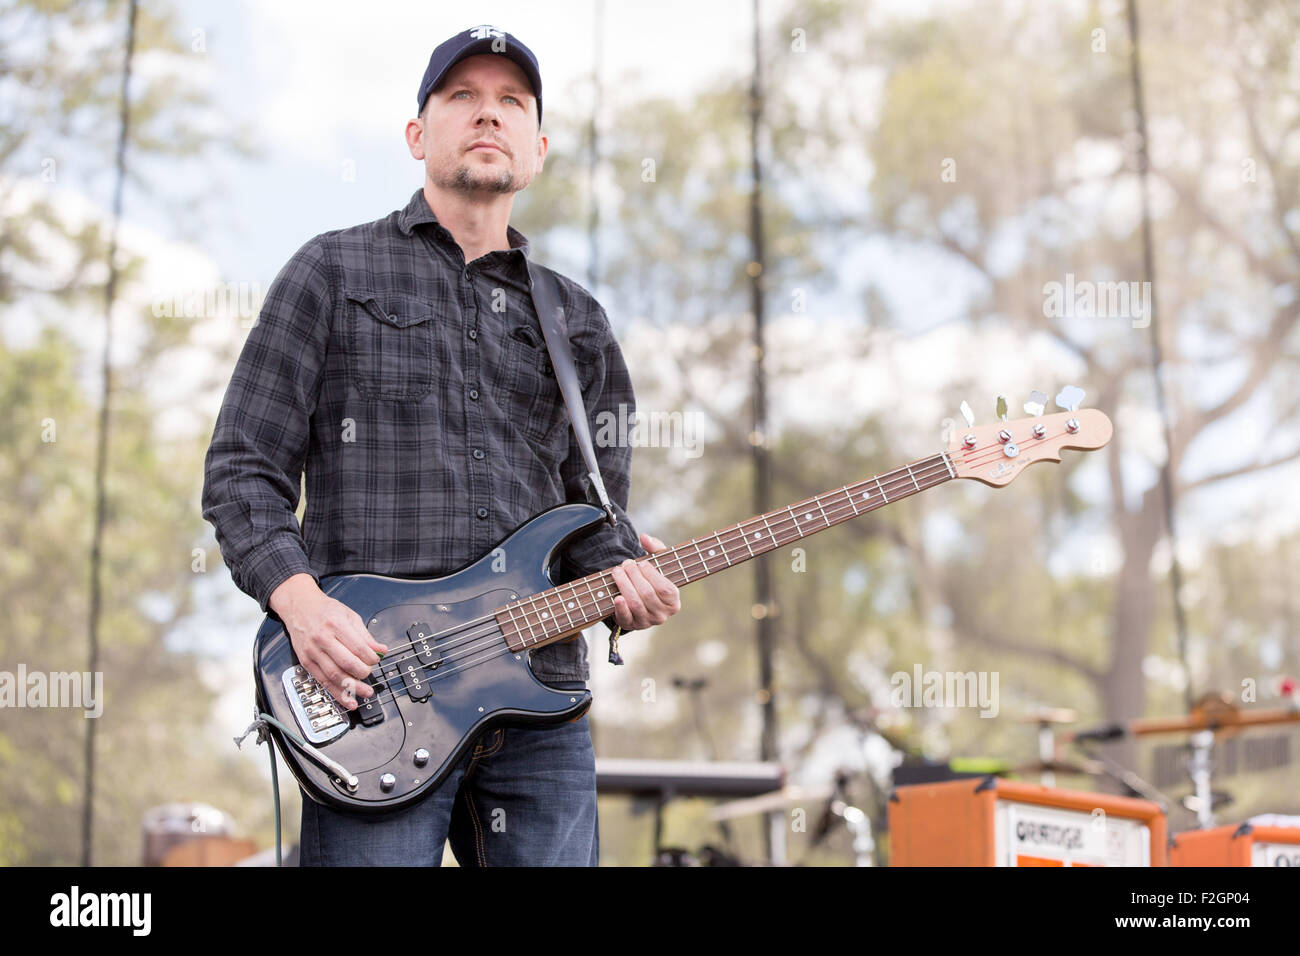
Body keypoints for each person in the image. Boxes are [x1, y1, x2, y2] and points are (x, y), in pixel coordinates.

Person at [201, 25, 681, 866]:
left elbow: (596, 521)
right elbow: (243, 471)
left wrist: (623, 583)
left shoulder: (578, 323)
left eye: (511, 103)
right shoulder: (331, 271)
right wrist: (301, 604)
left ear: (537, 149)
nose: (486, 115)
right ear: (419, 134)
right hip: (372, 693)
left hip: (541, 707)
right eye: (461, 96)